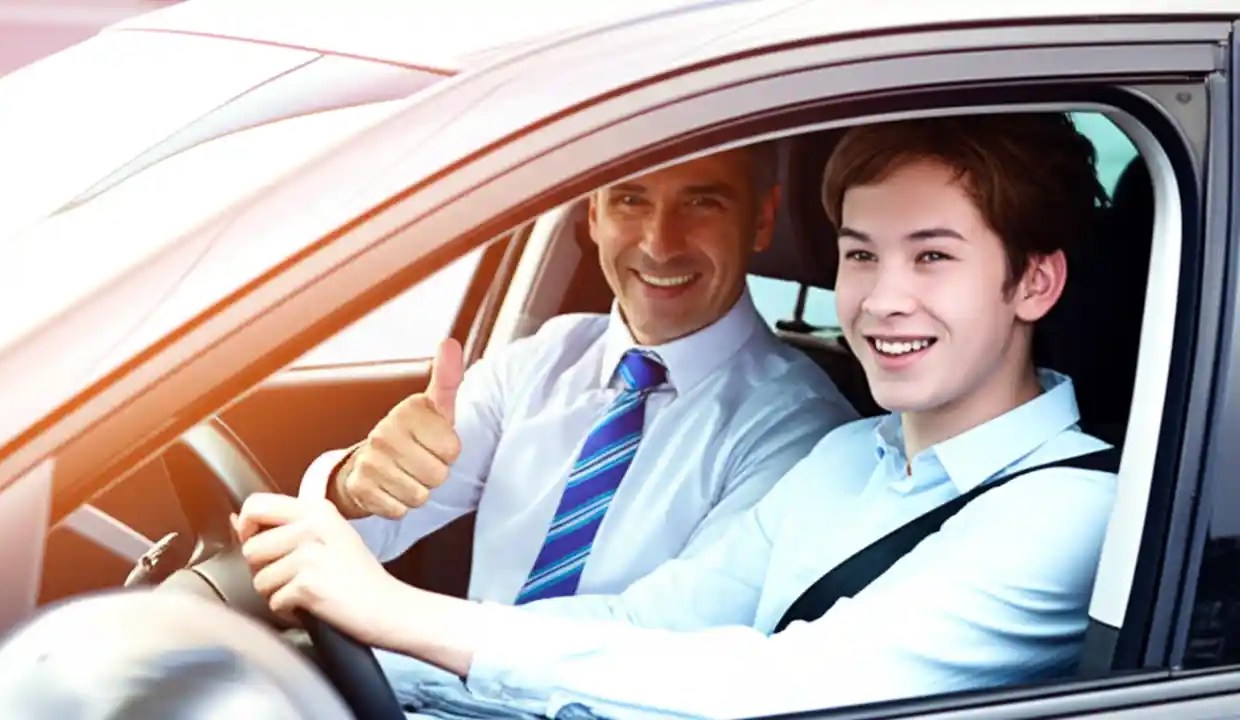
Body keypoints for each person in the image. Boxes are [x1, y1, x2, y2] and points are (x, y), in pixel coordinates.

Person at [236, 113, 1119, 718]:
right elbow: (645, 624)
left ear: (1034, 281)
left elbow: (784, 691)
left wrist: (398, 616)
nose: (883, 301)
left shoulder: (1074, 510)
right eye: (861, 255)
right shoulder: (853, 456)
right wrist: (336, 657)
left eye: (932, 257)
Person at [298, 143, 855, 607]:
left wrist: (401, 632)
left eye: (702, 202)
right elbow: (365, 532)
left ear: (760, 219)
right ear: (593, 214)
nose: (660, 243)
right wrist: (356, 484)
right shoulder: (535, 362)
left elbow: (656, 648)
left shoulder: (801, 430)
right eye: (630, 199)